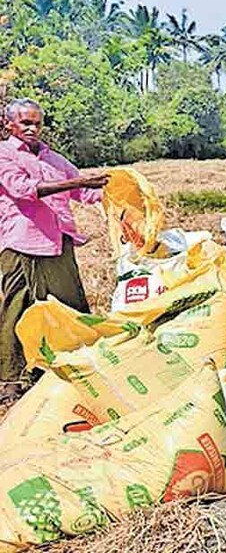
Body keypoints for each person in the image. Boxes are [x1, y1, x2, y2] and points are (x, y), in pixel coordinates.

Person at [0, 99, 108, 399]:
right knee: (18, 308)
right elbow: (24, 190)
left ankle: (72, 365)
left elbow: (84, 191)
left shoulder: (55, 160)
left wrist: (115, 192)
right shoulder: (3, 155)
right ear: (10, 124)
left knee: (69, 305)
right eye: (26, 123)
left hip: (58, 240)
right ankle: (12, 379)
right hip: (22, 242)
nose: (33, 128)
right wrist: (76, 181)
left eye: (37, 122)